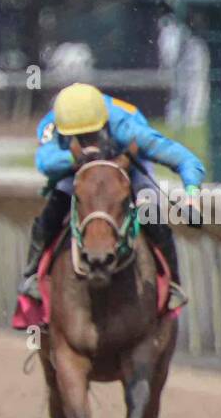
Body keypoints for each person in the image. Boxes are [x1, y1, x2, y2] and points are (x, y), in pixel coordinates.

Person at [21, 82, 204, 309]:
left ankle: (173, 283)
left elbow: (186, 160)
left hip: (128, 165)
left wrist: (192, 194)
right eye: (78, 137)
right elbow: (45, 162)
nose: (87, 140)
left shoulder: (127, 128)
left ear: (104, 125)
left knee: (150, 214)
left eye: (90, 135)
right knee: (54, 209)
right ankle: (32, 276)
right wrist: (75, 158)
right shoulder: (53, 126)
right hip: (80, 168)